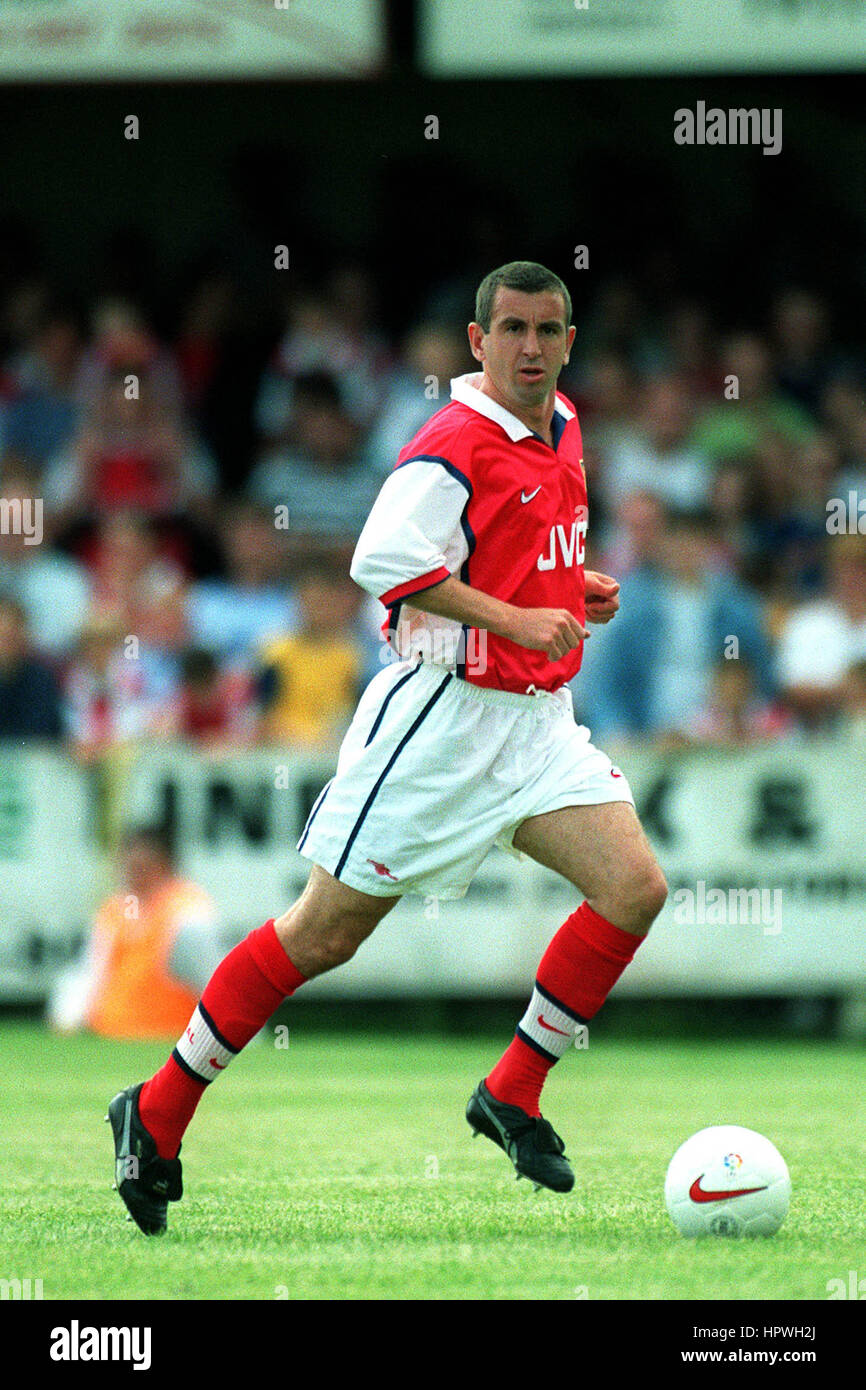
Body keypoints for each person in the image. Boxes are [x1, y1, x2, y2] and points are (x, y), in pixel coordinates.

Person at [107, 260, 668, 1234]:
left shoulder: (565, 425)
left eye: (547, 331)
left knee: (633, 888)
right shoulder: (453, 441)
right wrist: (510, 615)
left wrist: (569, 587)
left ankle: (513, 1090)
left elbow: (516, 551)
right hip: (438, 723)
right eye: (512, 331)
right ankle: (155, 1111)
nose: (530, 348)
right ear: (476, 342)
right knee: (321, 933)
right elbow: (382, 562)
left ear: (568, 341)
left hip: (533, 726)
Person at [49, 827, 223, 1039]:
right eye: (129, 862)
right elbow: (91, 970)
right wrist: (67, 1017)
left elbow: (208, 973)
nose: (133, 869)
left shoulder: (187, 904)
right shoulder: (116, 907)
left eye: (142, 864)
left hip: (172, 1033)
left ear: (163, 862)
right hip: (113, 1033)